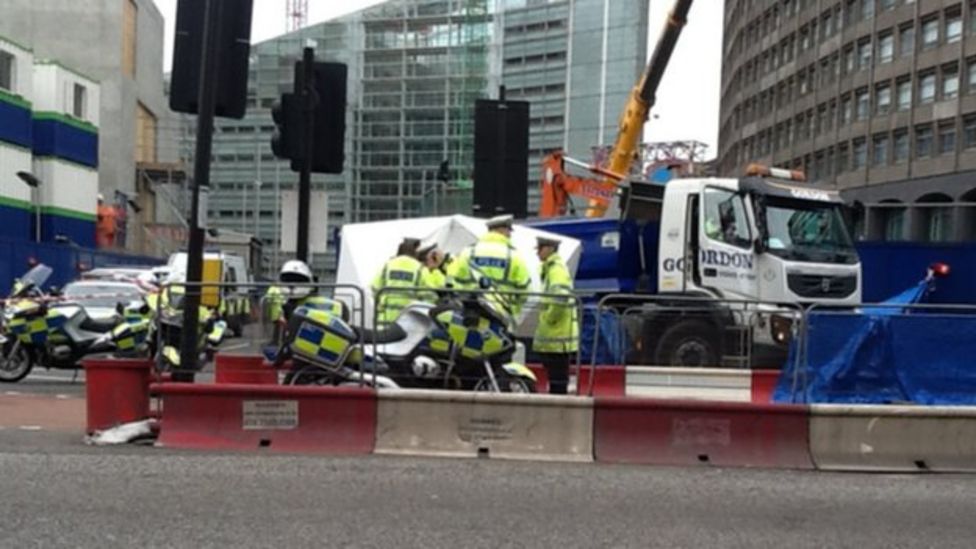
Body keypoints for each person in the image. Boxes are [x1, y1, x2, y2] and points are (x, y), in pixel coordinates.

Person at [448, 214, 531, 327]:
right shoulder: (514, 256)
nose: (510, 235)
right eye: (508, 231)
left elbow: (453, 281)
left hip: (471, 313)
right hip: (501, 315)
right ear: (501, 230)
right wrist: (514, 309)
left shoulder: (468, 252)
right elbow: (524, 290)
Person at [532, 237, 578, 395]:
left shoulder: (556, 269)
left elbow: (560, 298)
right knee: (556, 377)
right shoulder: (549, 268)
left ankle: (560, 411)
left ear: (550, 249)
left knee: (558, 379)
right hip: (556, 334)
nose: (537, 252)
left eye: (540, 248)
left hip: (558, 335)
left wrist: (549, 319)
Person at [371, 238, 431, 326]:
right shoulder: (420, 268)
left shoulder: (388, 265)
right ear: (415, 252)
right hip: (408, 321)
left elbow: (374, 287)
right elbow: (428, 296)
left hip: (384, 320)